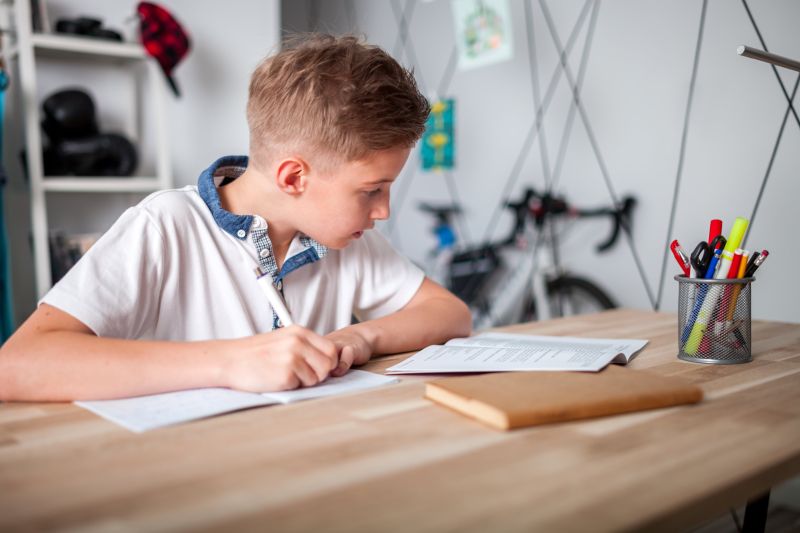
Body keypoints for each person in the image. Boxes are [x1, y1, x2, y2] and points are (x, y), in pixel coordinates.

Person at [0, 34, 472, 401]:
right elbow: (17, 365)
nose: (383, 211)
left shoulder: (346, 238)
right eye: (371, 191)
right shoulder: (166, 226)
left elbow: (450, 313)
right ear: (293, 177)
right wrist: (230, 362)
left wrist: (363, 335)